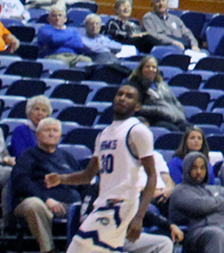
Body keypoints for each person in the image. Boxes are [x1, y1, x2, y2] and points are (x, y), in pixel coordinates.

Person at [45, 82, 165, 253]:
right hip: (103, 201)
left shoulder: (138, 131)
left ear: (137, 106)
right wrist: (61, 178)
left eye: (129, 96)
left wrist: (139, 216)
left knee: (78, 247)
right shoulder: (103, 134)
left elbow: (152, 176)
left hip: (121, 203)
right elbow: (88, 175)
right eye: (120, 94)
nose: (123, 98)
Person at [13, 116, 84, 253]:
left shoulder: (67, 156)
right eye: (47, 130)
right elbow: (21, 181)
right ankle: (48, 250)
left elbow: (81, 180)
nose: (51, 134)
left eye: (55, 130)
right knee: (33, 204)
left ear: (60, 135)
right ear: (37, 135)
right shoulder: (28, 155)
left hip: (71, 204)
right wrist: (46, 199)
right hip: (42, 204)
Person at [131, 55, 192, 134]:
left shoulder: (162, 85)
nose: (151, 69)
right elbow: (138, 107)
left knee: (192, 130)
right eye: (147, 67)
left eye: (154, 67)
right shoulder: (136, 85)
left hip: (174, 118)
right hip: (156, 120)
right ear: (141, 69)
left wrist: (179, 114)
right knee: (175, 132)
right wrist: (160, 111)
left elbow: (175, 102)